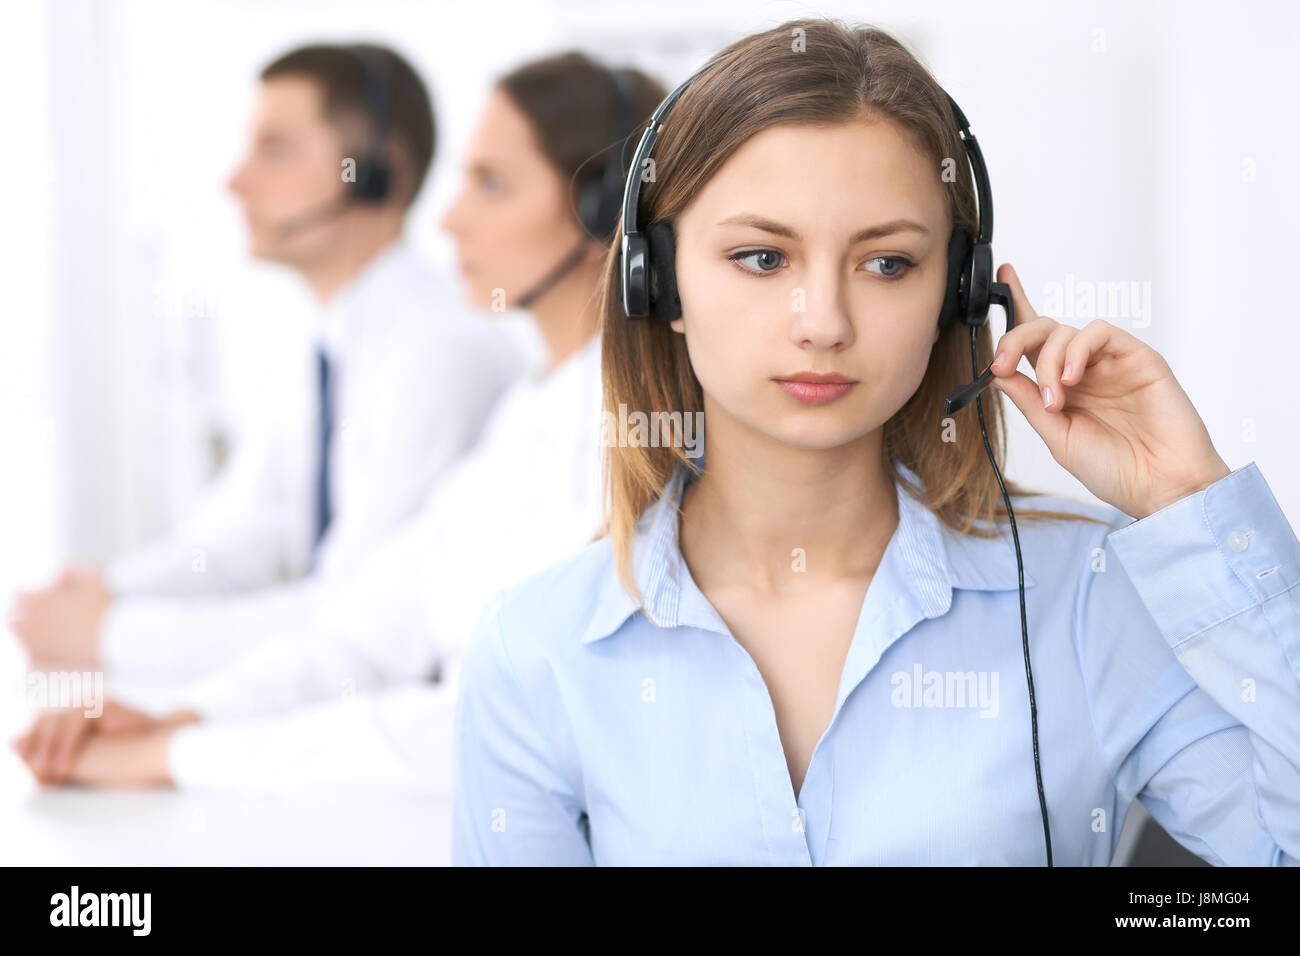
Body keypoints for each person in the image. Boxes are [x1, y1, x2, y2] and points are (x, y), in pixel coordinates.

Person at [449, 19, 1300, 865]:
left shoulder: (1087, 598)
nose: (823, 323)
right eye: (760, 257)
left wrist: (1191, 499)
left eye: (887, 263)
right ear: (658, 282)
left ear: (957, 294)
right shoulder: (537, 654)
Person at [11, 54, 668, 796]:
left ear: (603, 209)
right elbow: (360, 631)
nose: (449, 218)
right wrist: (180, 720)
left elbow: (505, 722)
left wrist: (172, 745)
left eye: (491, 183)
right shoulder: (531, 413)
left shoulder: (627, 432)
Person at [9, 43, 529, 683]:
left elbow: (355, 620)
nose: (236, 181)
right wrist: (102, 595)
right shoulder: (327, 342)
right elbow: (243, 537)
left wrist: (114, 635)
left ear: (373, 174)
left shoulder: (437, 353)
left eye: (275, 150)